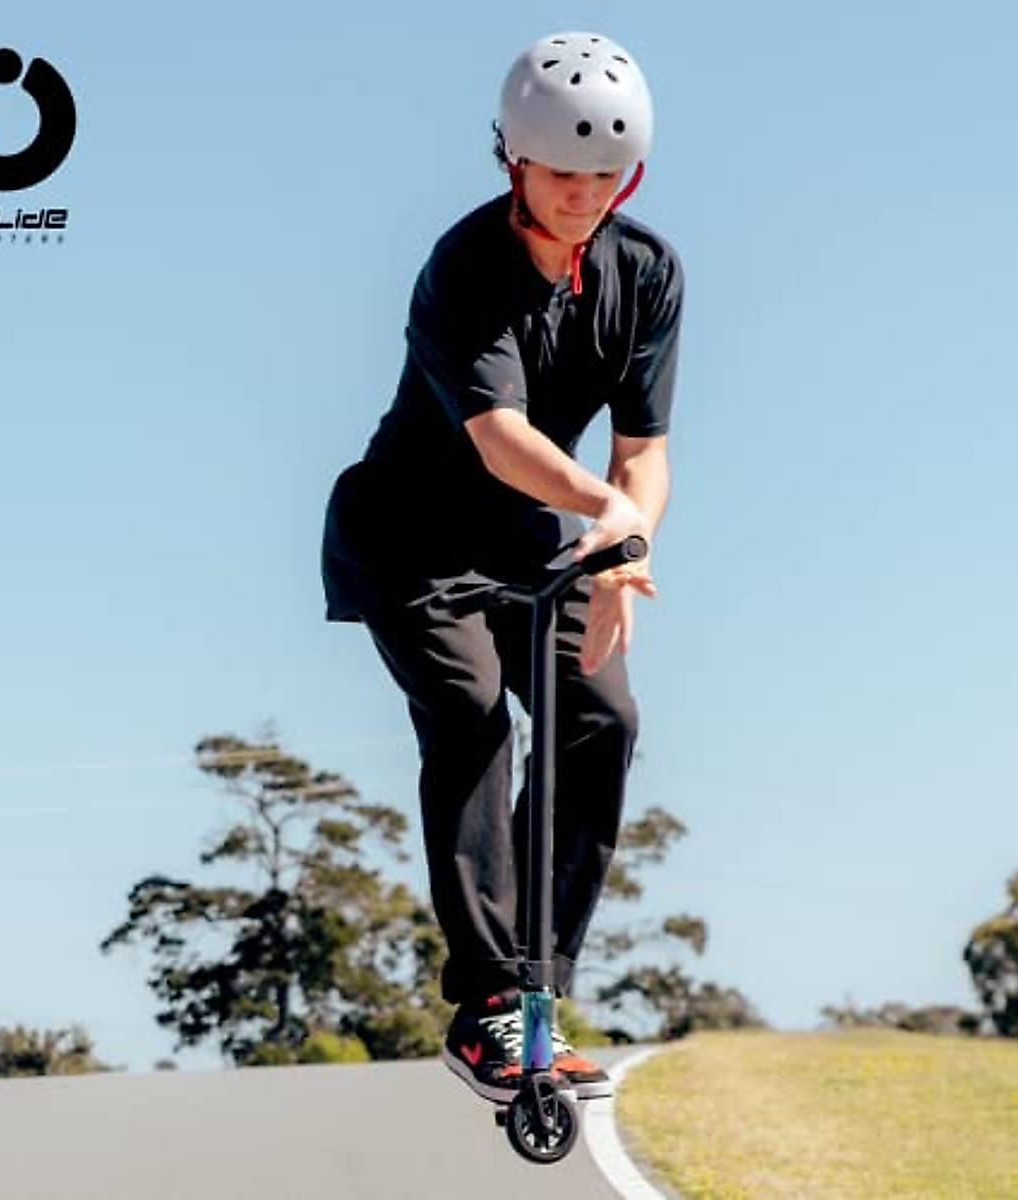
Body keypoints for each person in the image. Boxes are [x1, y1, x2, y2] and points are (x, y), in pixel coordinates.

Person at [321, 30, 683, 1104]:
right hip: (411, 536)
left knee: (602, 719)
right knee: (475, 718)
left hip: (532, 538)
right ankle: (485, 1005)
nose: (585, 197)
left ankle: (537, 997)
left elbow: (643, 451)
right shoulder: (464, 268)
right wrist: (602, 507)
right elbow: (501, 438)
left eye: (608, 177)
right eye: (564, 173)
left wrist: (626, 547)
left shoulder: (646, 272)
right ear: (514, 159)